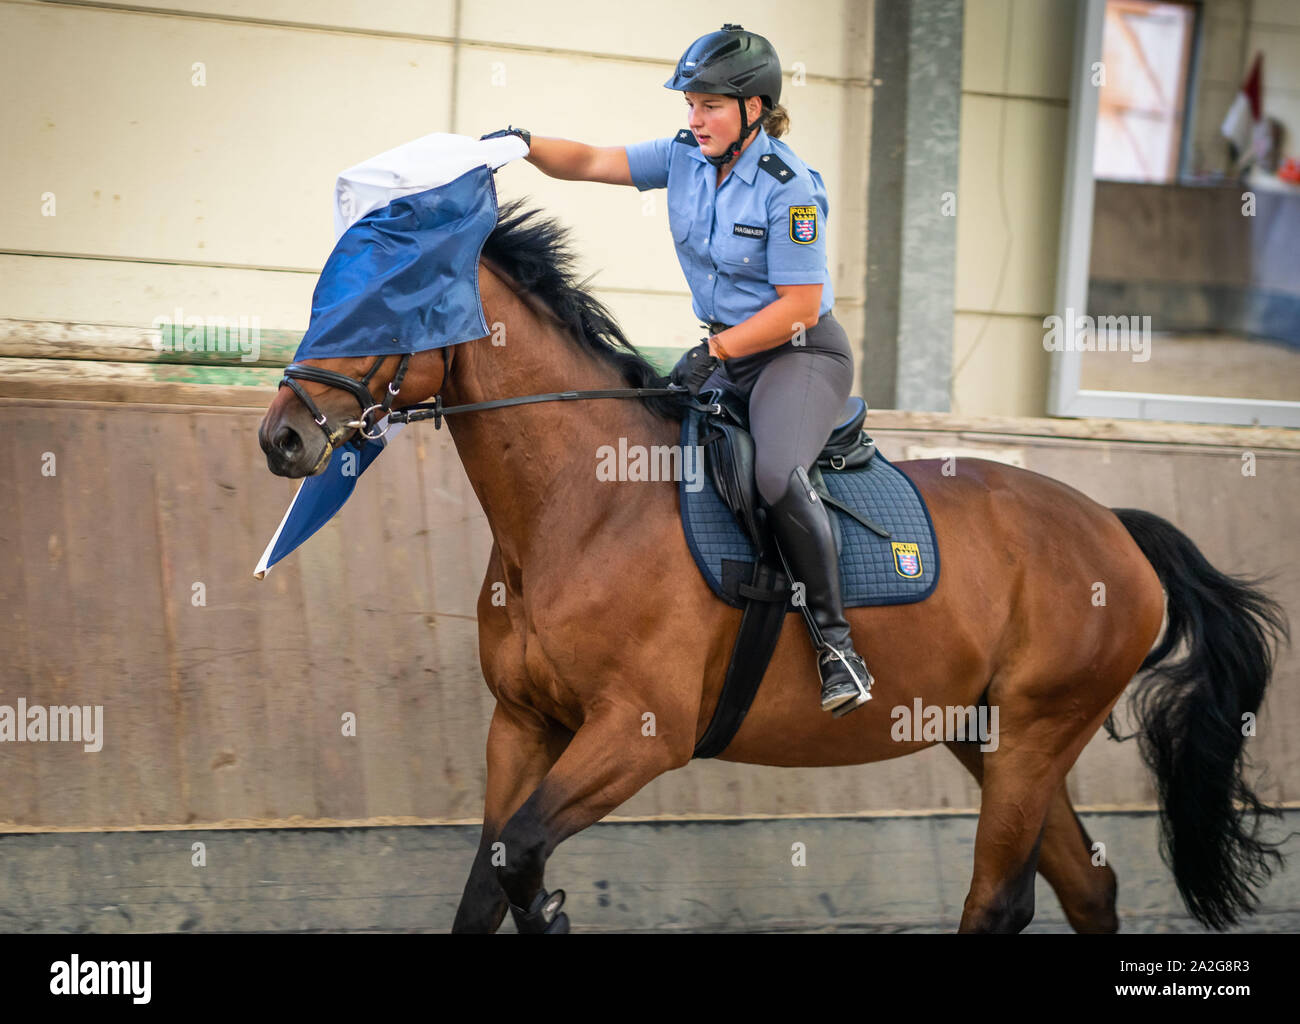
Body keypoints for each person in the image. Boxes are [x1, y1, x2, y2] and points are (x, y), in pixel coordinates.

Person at [481, 24, 872, 716]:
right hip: (727, 351)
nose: (695, 118)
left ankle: (836, 645)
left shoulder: (790, 190)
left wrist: (716, 353)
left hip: (799, 354)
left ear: (754, 108)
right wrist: (521, 145)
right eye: (691, 104)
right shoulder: (686, 157)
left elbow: (800, 307)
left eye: (710, 105)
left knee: (776, 474)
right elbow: (593, 160)